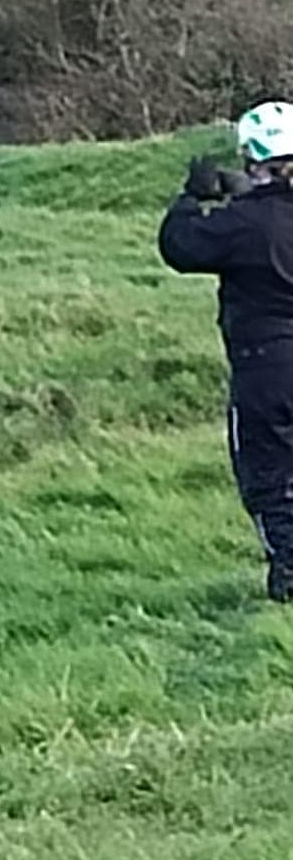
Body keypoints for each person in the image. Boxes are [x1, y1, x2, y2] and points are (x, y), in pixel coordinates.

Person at [159, 100, 293, 600]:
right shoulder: (255, 215)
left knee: (268, 473)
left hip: (268, 365)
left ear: (251, 158)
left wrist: (193, 197)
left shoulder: (241, 224)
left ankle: (289, 574)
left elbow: (180, 245)